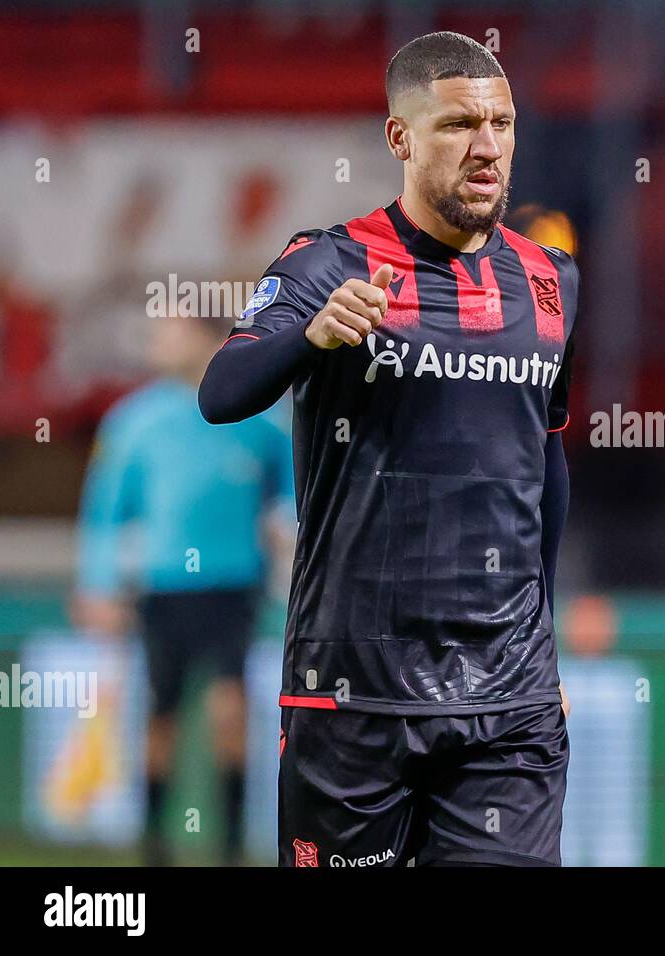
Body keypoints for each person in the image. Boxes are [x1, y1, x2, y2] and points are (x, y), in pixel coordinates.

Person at [198, 31, 578, 867]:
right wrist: (310, 333)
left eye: (502, 123)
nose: (487, 147)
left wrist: (542, 646)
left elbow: (544, 466)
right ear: (400, 138)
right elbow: (222, 392)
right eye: (457, 126)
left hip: (506, 705)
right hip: (352, 695)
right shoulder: (326, 261)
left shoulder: (552, 281)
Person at [74, 310, 294, 866]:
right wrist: (98, 584)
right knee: (161, 717)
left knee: (229, 712)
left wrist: (289, 535)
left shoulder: (259, 419)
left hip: (232, 587)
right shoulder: (133, 421)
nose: (159, 343)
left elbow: (294, 495)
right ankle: (155, 849)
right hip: (163, 587)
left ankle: (228, 849)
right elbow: (104, 511)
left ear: (209, 341)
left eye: (172, 332)